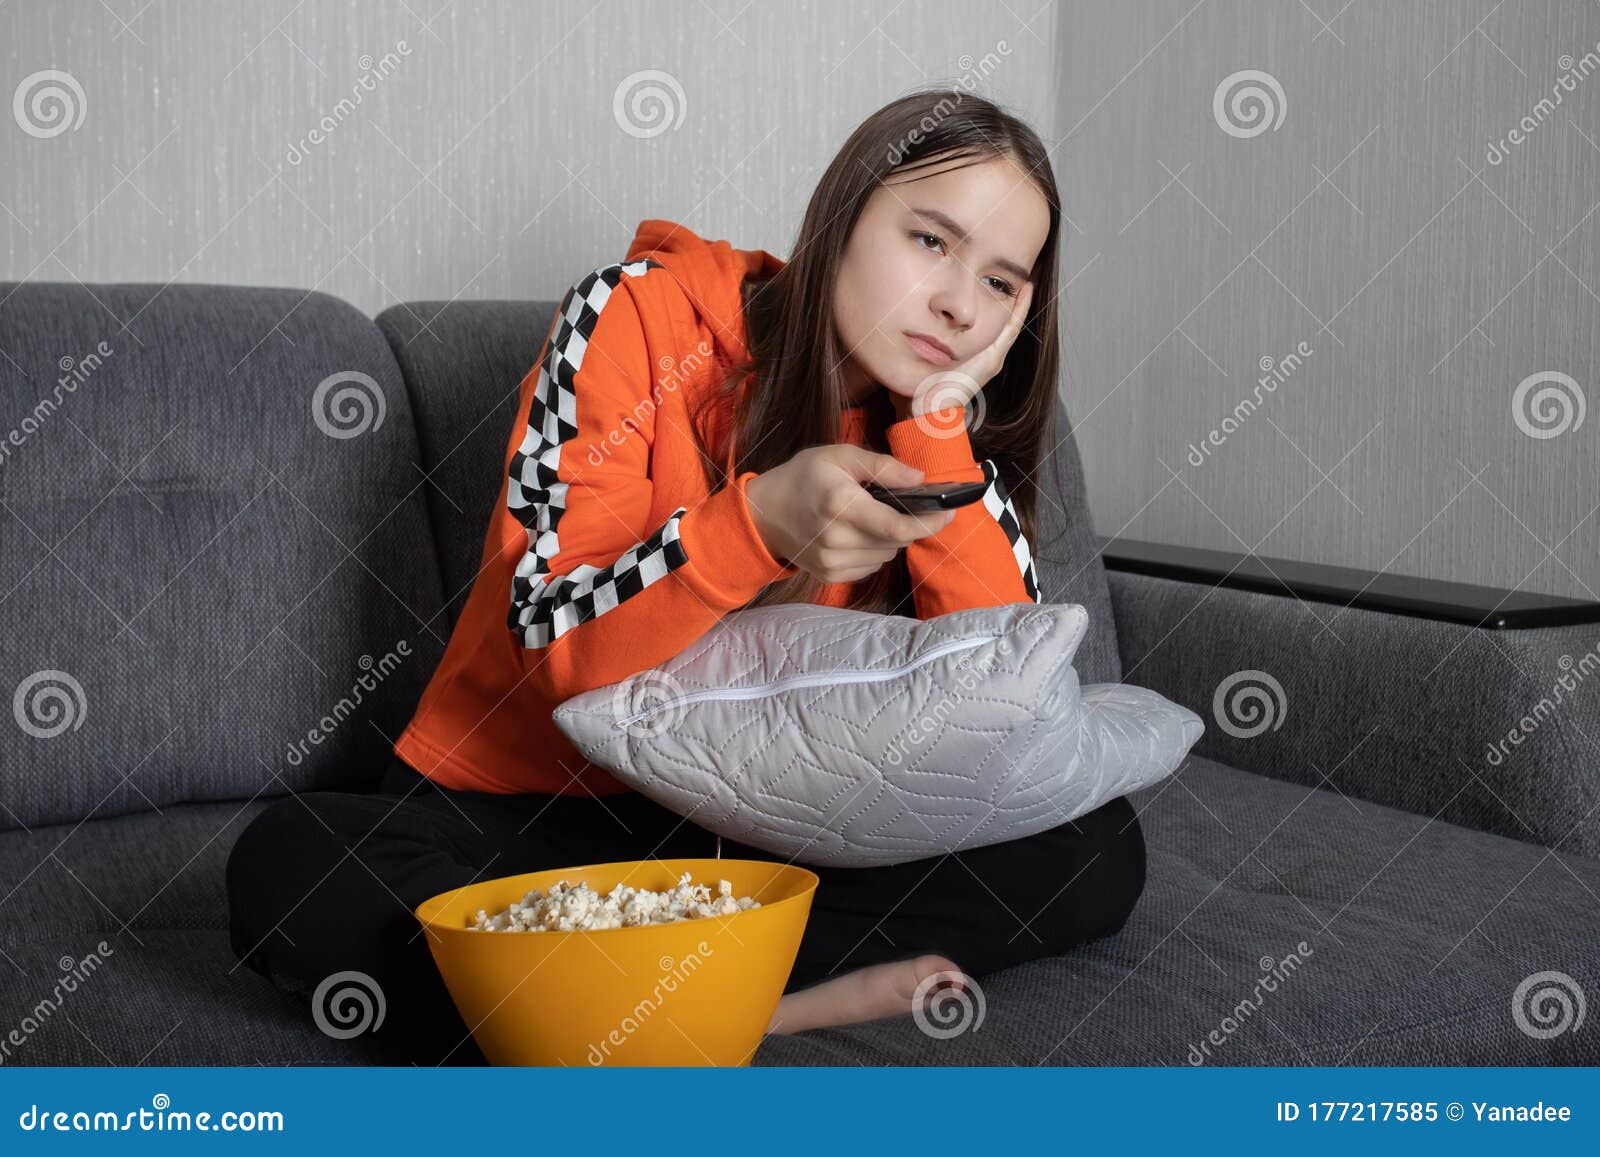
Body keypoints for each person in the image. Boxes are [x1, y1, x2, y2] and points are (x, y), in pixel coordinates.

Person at [226, 85, 1146, 1065]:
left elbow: (1000, 722)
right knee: (293, 865)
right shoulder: (632, 313)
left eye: (1003, 282)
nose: (962, 303)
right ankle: (747, 1003)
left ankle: (599, 1011)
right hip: (523, 815)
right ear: (843, 217)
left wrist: (935, 425)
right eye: (930, 240)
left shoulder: (938, 431)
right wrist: (751, 525)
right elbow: (562, 649)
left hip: (750, 836)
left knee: (1091, 846)